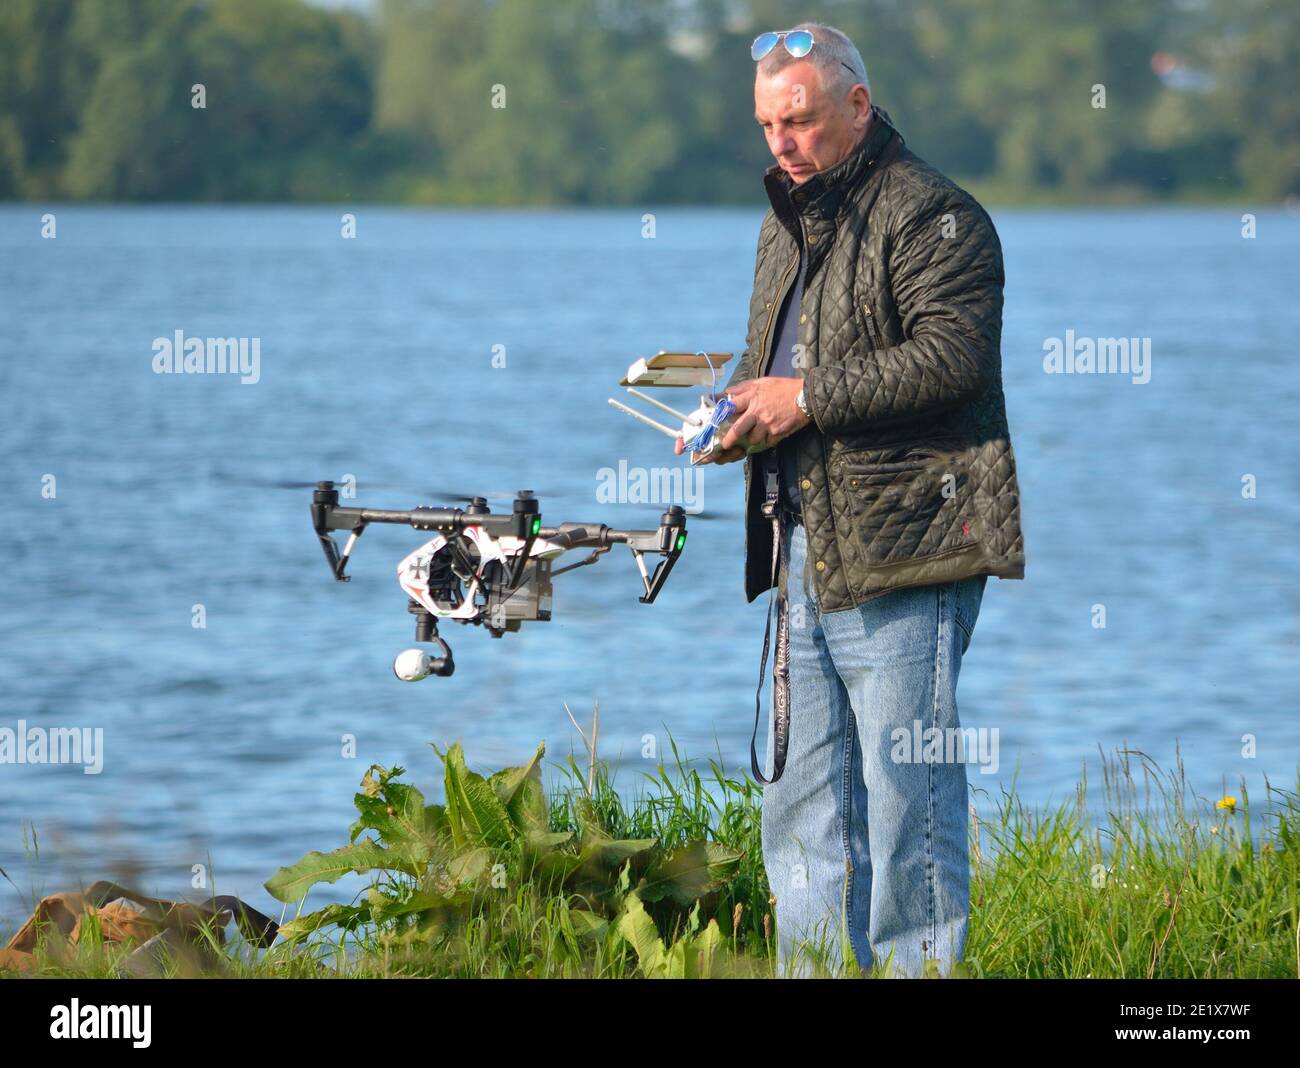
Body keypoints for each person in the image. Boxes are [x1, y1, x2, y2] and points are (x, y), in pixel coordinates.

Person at [676, 21, 1025, 977]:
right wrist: (739, 413)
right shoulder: (782, 223)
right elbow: (779, 365)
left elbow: (953, 360)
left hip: (910, 552)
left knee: (908, 801)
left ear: (859, 107)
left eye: (801, 122)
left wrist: (803, 398)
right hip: (799, 550)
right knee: (802, 810)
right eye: (766, 126)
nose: (782, 145)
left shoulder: (937, 217)